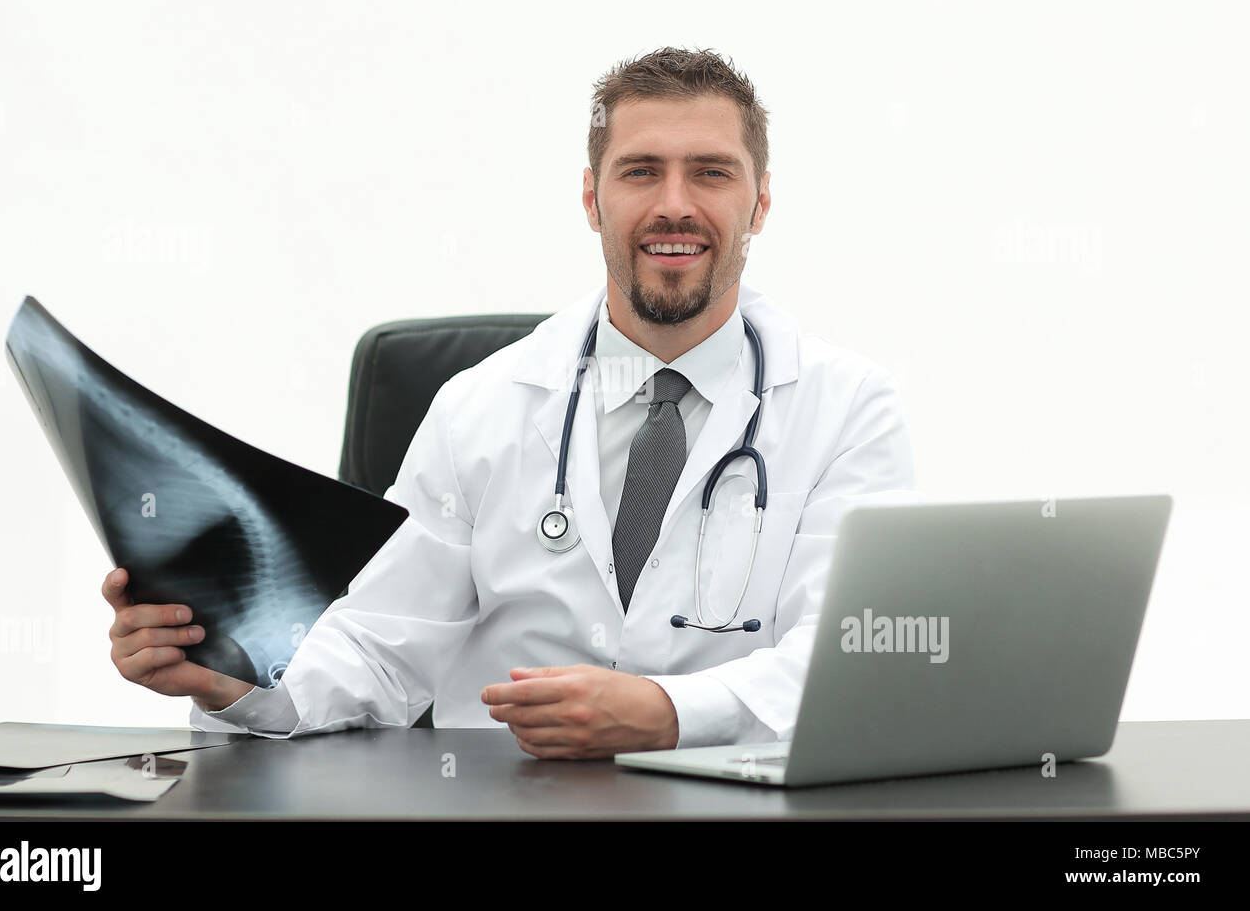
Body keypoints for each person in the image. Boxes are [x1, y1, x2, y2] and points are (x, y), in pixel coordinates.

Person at [102, 46, 918, 759]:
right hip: (505, 801)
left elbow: (847, 659)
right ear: (593, 199)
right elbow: (380, 648)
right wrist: (231, 677)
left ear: (760, 202)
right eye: (640, 171)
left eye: (711, 171)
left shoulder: (847, 409)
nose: (674, 203)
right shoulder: (479, 407)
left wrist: (667, 714)